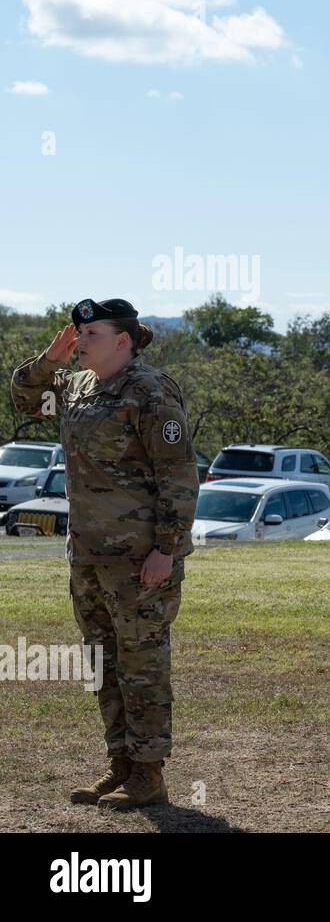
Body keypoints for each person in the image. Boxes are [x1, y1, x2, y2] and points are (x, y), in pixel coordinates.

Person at [10, 298, 197, 809]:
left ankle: (149, 774)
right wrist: (51, 359)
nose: (81, 339)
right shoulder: (77, 386)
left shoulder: (149, 392)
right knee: (102, 661)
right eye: (78, 331)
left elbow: (178, 478)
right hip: (89, 555)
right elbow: (25, 399)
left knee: (142, 664)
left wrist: (166, 550)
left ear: (124, 339)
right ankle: (121, 764)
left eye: (92, 332)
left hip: (139, 560)